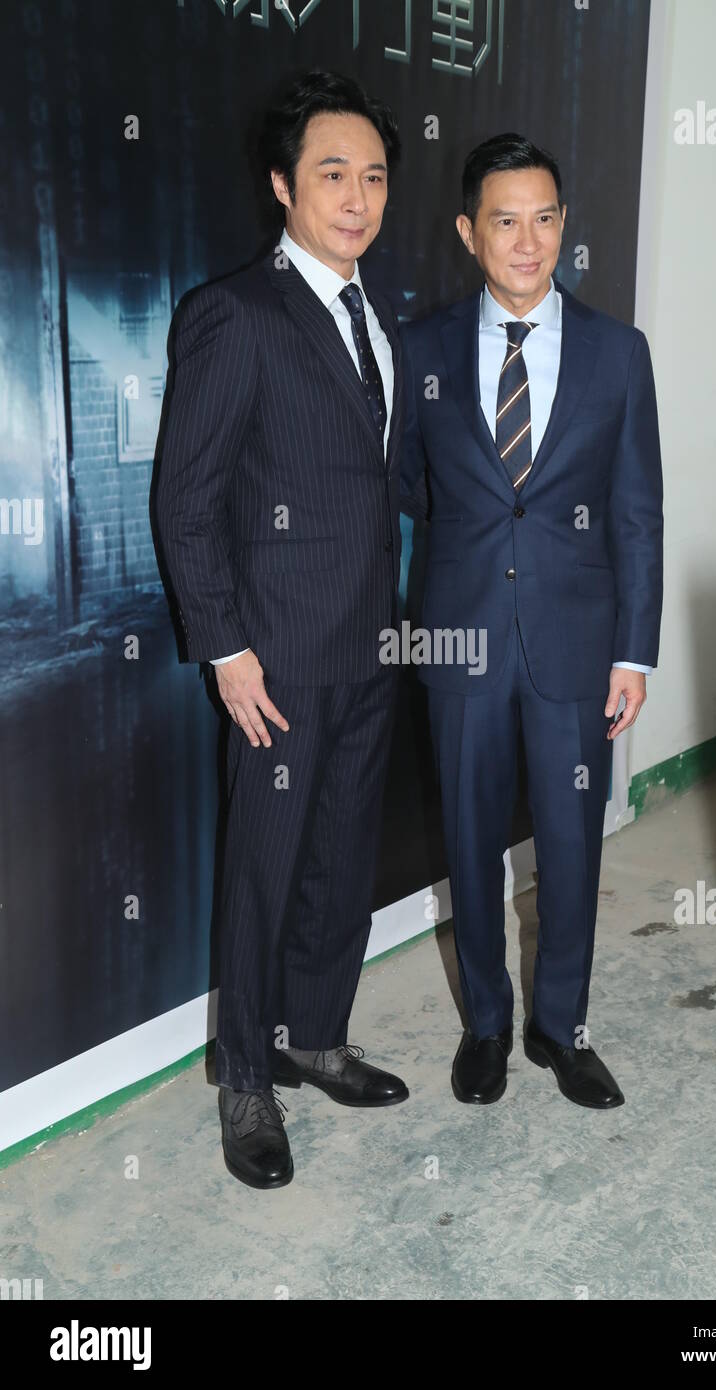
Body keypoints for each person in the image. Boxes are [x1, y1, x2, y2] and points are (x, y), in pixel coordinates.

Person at [155, 71, 408, 1189]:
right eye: (330, 174)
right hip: (275, 662)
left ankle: (316, 1035)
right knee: (262, 871)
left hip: (369, 650)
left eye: (372, 176)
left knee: (341, 860)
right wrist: (226, 648)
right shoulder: (235, 313)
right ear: (280, 185)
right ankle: (246, 1077)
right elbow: (186, 497)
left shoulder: (376, 320)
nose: (355, 198)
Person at [400, 133, 663, 1109]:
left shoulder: (615, 353)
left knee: (570, 842)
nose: (526, 241)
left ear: (563, 224)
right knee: (468, 845)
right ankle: (484, 1024)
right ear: (469, 232)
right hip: (462, 634)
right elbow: (407, 484)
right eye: (503, 220)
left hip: (578, 645)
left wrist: (632, 649)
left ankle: (561, 1027)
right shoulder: (420, 350)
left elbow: (637, 511)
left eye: (543, 218)